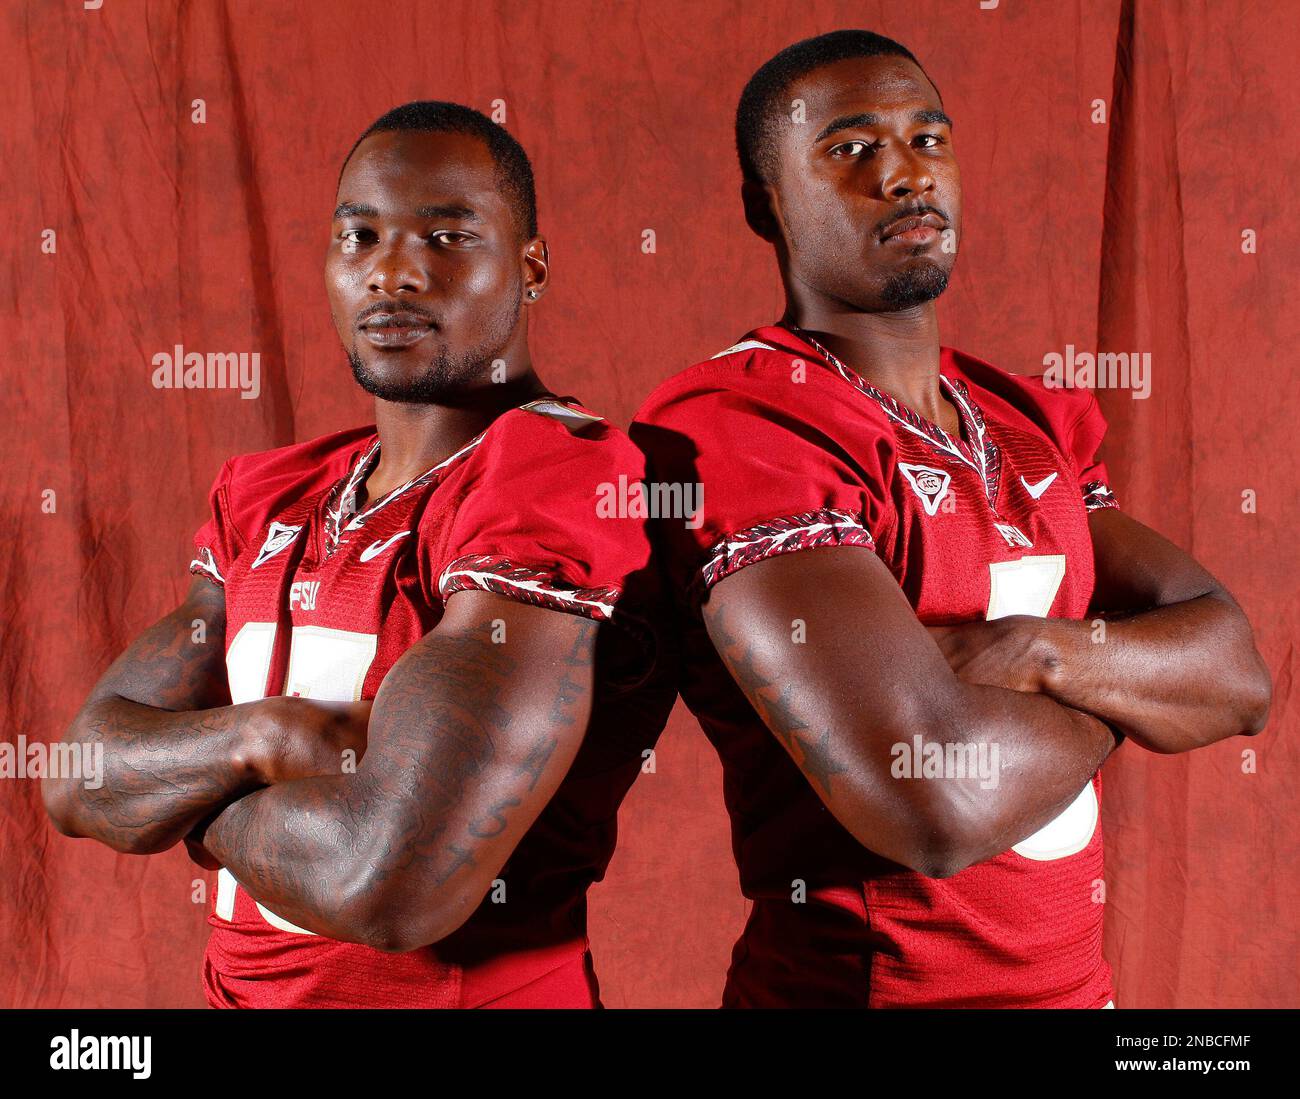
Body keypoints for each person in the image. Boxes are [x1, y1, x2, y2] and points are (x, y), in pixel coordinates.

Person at [631, 30, 1271, 1008]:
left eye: (928, 138)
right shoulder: (740, 423)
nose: (902, 173)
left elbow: (1234, 673)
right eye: (849, 148)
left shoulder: (1025, 420)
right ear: (765, 201)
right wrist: (1134, 687)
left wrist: (1035, 653)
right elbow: (935, 799)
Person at [43, 101, 673, 1009]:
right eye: (361, 236)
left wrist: (181, 790)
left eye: (447, 237)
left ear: (530, 267)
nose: (394, 271)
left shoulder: (555, 471)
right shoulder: (269, 490)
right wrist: (275, 734)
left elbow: (387, 881)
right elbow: (78, 778)